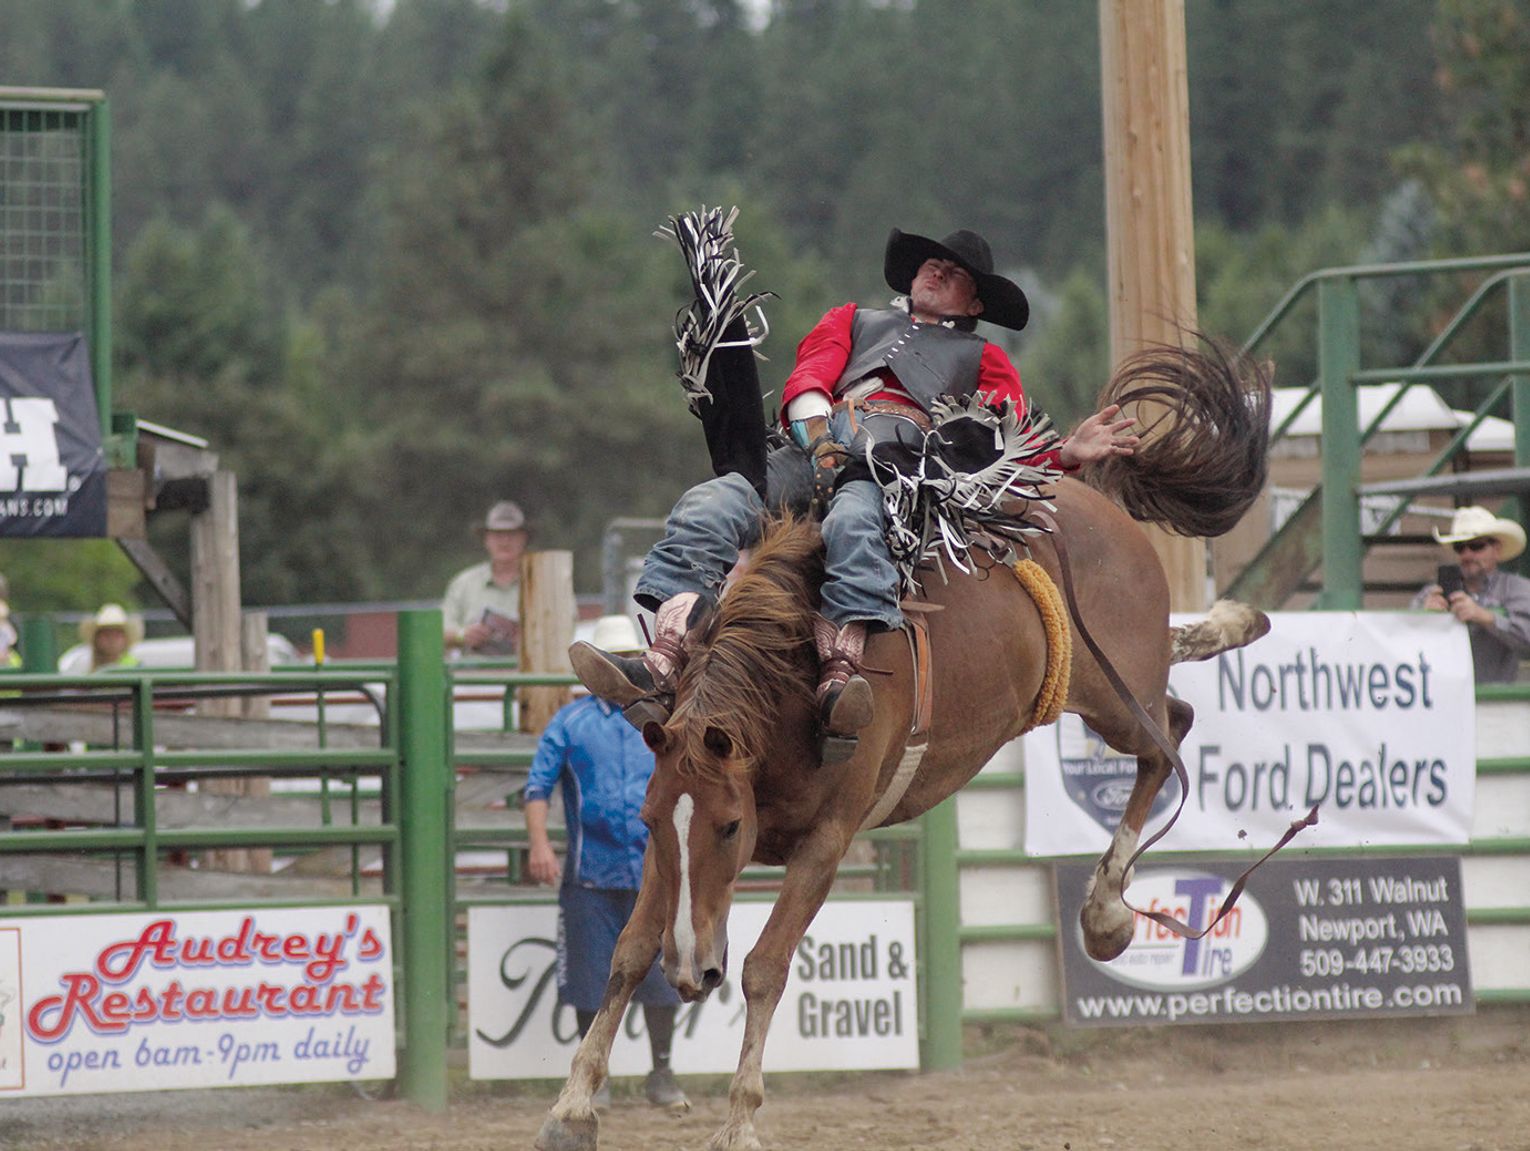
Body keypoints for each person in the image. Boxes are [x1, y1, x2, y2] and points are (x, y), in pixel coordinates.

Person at [572, 226, 1138, 754]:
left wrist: (1062, 454)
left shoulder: (984, 360)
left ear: (974, 305)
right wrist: (821, 439)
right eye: (930, 265)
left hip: (896, 471)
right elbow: (808, 378)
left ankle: (840, 676)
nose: (934, 273)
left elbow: (1000, 441)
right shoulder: (851, 320)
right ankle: (664, 655)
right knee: (714, 500)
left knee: (852, 522)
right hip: (811, 448)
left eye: (953, 273)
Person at [523, 614, 689, 1112]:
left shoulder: (665, 719)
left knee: (660, 976)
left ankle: (660, 1071)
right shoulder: (571, 723)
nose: (625, 668)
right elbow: (537, 788)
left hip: (652, 873)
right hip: (591, 873)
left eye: (631, 659)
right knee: (590, 976)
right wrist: (539, 844)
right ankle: (600, 1072)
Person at [1412, 505, 1530, 684]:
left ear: (1496, 549)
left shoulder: (1517, 589)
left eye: (1476, 546)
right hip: (1445, 698)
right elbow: (1405, 639)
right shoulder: (1431, 594)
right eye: (1460, 547)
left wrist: (1485, 617)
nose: (1467, 555)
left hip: (1498, 703)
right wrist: (1424, 617)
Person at [442, 500, 529, 656]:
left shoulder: (544, 584)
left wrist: (532, 640)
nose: (505, 541)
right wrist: (463, 635)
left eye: (512, 534)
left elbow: (565, 631)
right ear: (486, 539)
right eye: (498, 535)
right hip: (475, 678)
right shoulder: (463, 583)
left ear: (523, 539)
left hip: (529, 677)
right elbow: (439, 632)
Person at [81, 603, 143, 672]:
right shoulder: (89, 672)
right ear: (96, 638)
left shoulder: (136, 668)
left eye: (117, 634)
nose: (112, 639)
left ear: (126, 638)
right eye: (106, 634)